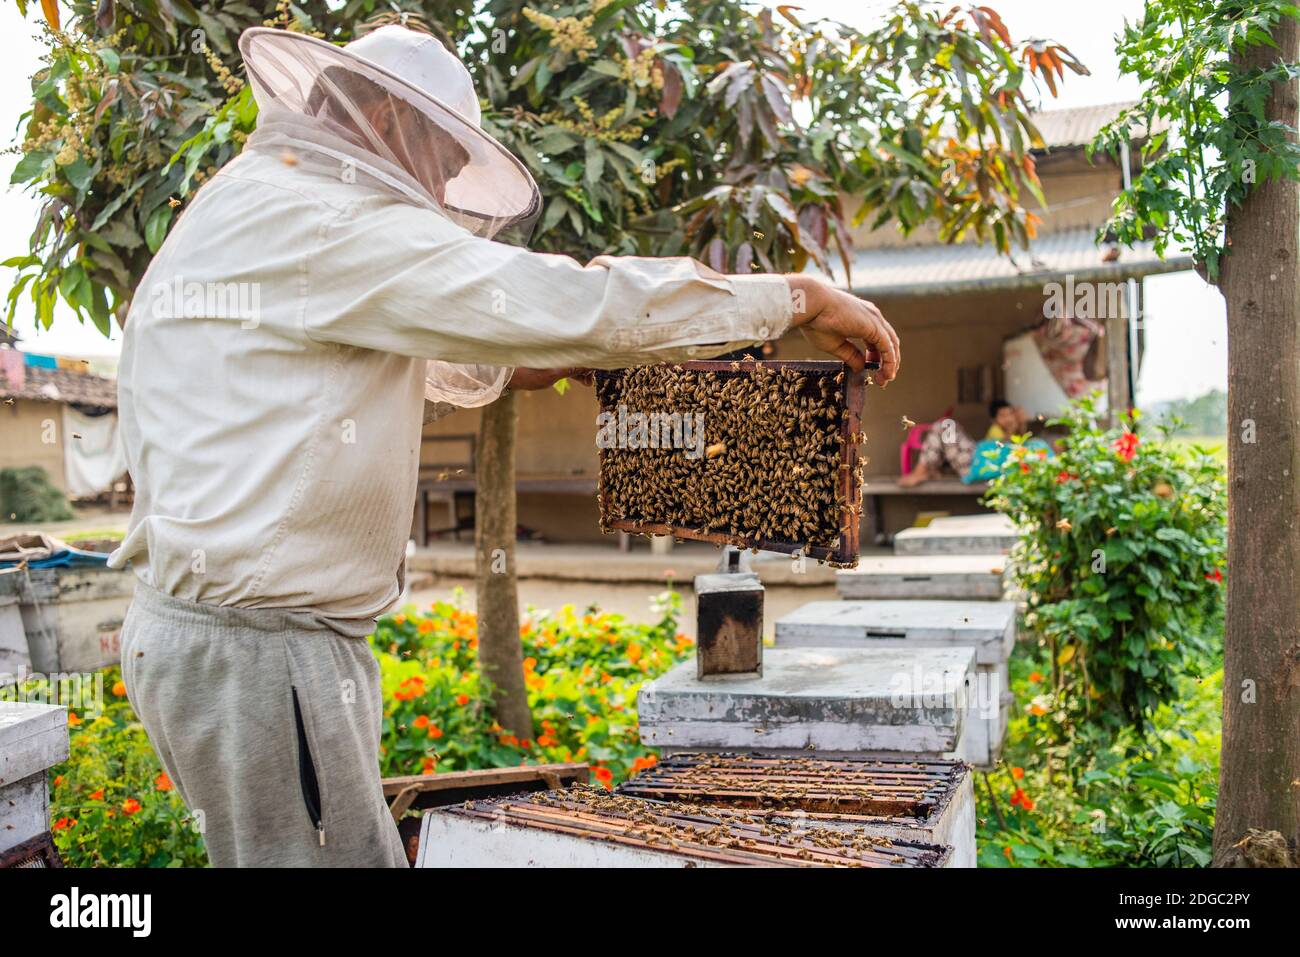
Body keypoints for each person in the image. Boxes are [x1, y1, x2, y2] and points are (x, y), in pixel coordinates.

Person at [108, 24, 900, 867]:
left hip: (225, 639)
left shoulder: (257, 200)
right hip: (261, 654)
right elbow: (569, 301)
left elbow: (456, 349)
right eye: (443, 154)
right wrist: (795, 297)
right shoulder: (327, 218)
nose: (448, 179)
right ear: (378, 111)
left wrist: (577, 360)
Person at [897, 399, 1026, 487]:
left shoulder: (1013, 431)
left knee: (944, 425)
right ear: (994, 420)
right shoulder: (996, 430)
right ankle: (923, 470)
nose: (1008, 419)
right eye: (1002, 416)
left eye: (1009, 414)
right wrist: (1015, 426)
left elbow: (1011, 448)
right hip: (974, 458)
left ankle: (923, 470)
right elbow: (1004, 446)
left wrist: (1018, 426)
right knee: (946, 425)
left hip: (972, 463)